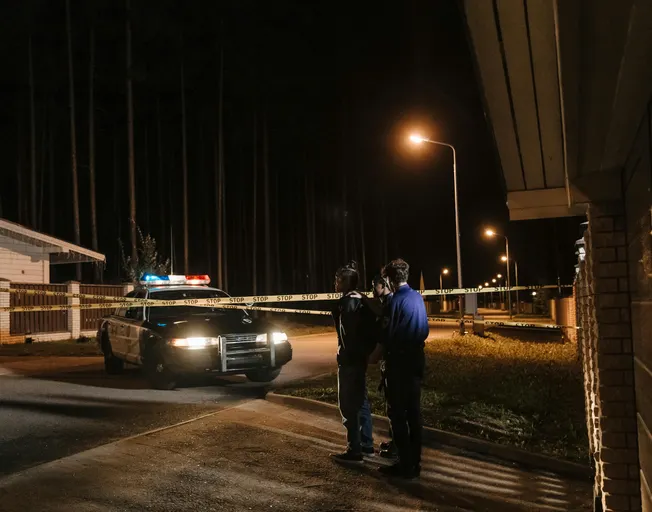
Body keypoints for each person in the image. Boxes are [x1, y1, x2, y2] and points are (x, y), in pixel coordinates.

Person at [378, 258, 428, 479]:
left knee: (397, 414)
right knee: (414, 414)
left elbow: (385, 335)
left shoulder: (394, 301)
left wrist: (375, 357)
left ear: (388, 278)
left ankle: (404, 465)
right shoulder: (417, 297)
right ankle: (415, 463)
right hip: (417, 359)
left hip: (399, 363)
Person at [330, 261, 376, 462]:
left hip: (350, 361)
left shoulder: (348, 302)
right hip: (360, 359)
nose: (335, 284)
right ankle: (366, 443)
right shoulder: (362, 299)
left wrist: (345, 356)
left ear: (345, 281)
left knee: (348, 404)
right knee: (361, 401)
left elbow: (347, 335)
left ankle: (354, 449)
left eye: (337, 280)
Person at [368, 274, 397, 459]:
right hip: (396, 361)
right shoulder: (388, 301)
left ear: (383, 285)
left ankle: (397, 446)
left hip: (393, 361)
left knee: (394, 406)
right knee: (393, 405)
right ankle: (396, 442)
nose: (372, 290)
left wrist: (374, 356)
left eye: (374, 286)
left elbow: (384, 336)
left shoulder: (390, 303)